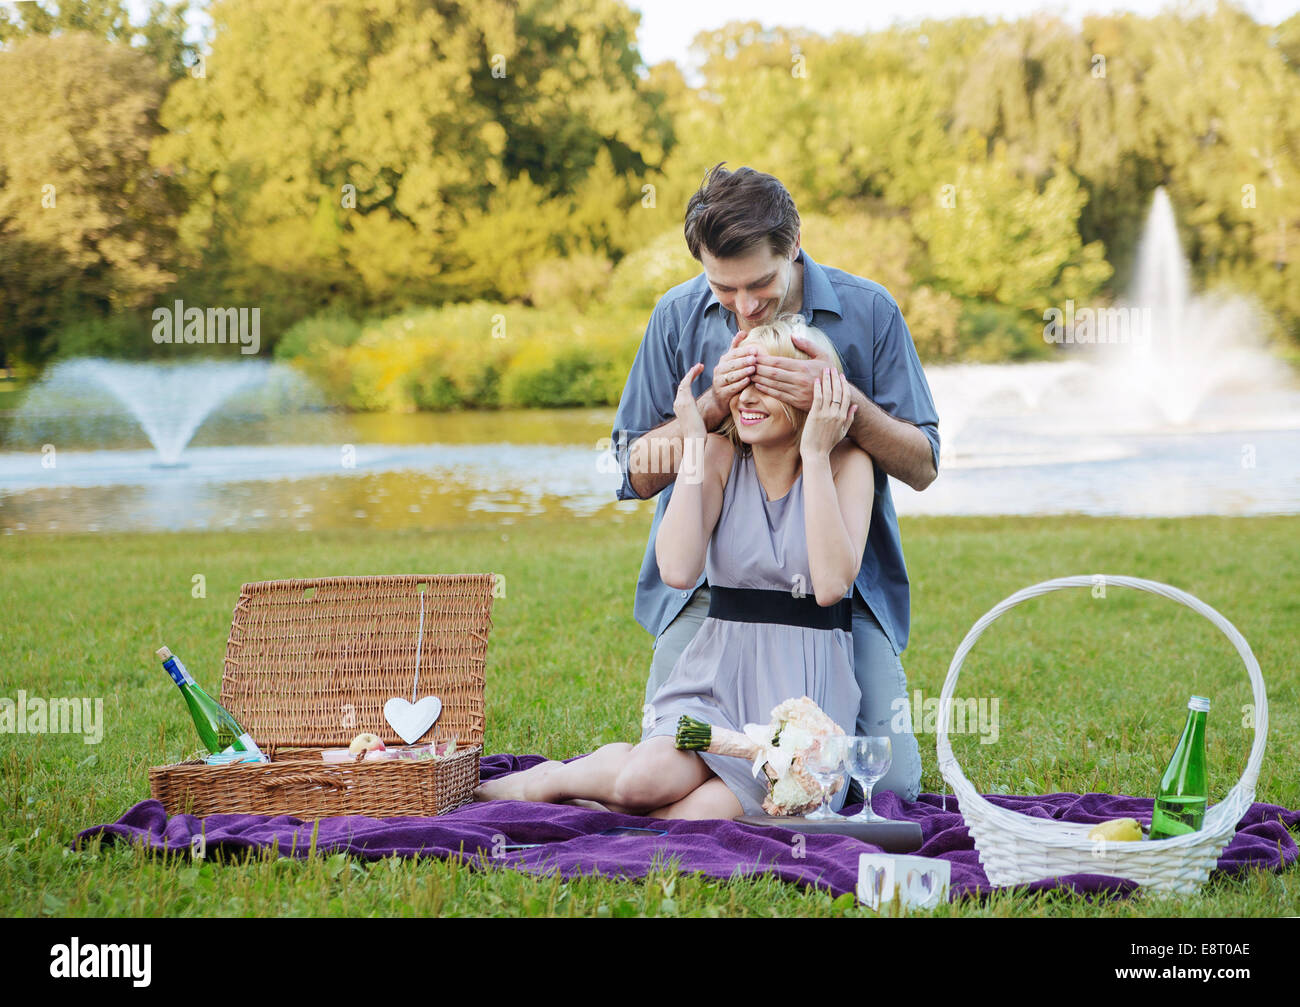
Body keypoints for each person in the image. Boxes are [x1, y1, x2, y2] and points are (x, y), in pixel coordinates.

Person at [612, 163, 940, 803]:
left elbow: (923, 464)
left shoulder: (868, 312)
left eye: (759, 283)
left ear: (794, 245)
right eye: (724, 289)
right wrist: (710, 408)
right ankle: (712, 775)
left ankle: (738, 775)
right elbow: (630, 471)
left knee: (888, 787)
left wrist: (845, 406)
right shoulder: (678, 315)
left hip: (836, 603)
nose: (743, 306)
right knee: (666, 761)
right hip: (716, 595)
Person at [473, 316, 871, 818]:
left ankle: (591, 804)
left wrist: (814, 452)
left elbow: (832, 584)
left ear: (813, 391)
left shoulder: (847, 464)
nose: (746, 400)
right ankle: (547, 783)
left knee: (699, 819)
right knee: (643, 783)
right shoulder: (721, 455)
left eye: (767, 385)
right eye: (740, 384)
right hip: (715, 680)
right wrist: (692, 438)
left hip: (803, 699)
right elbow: (679, 570)